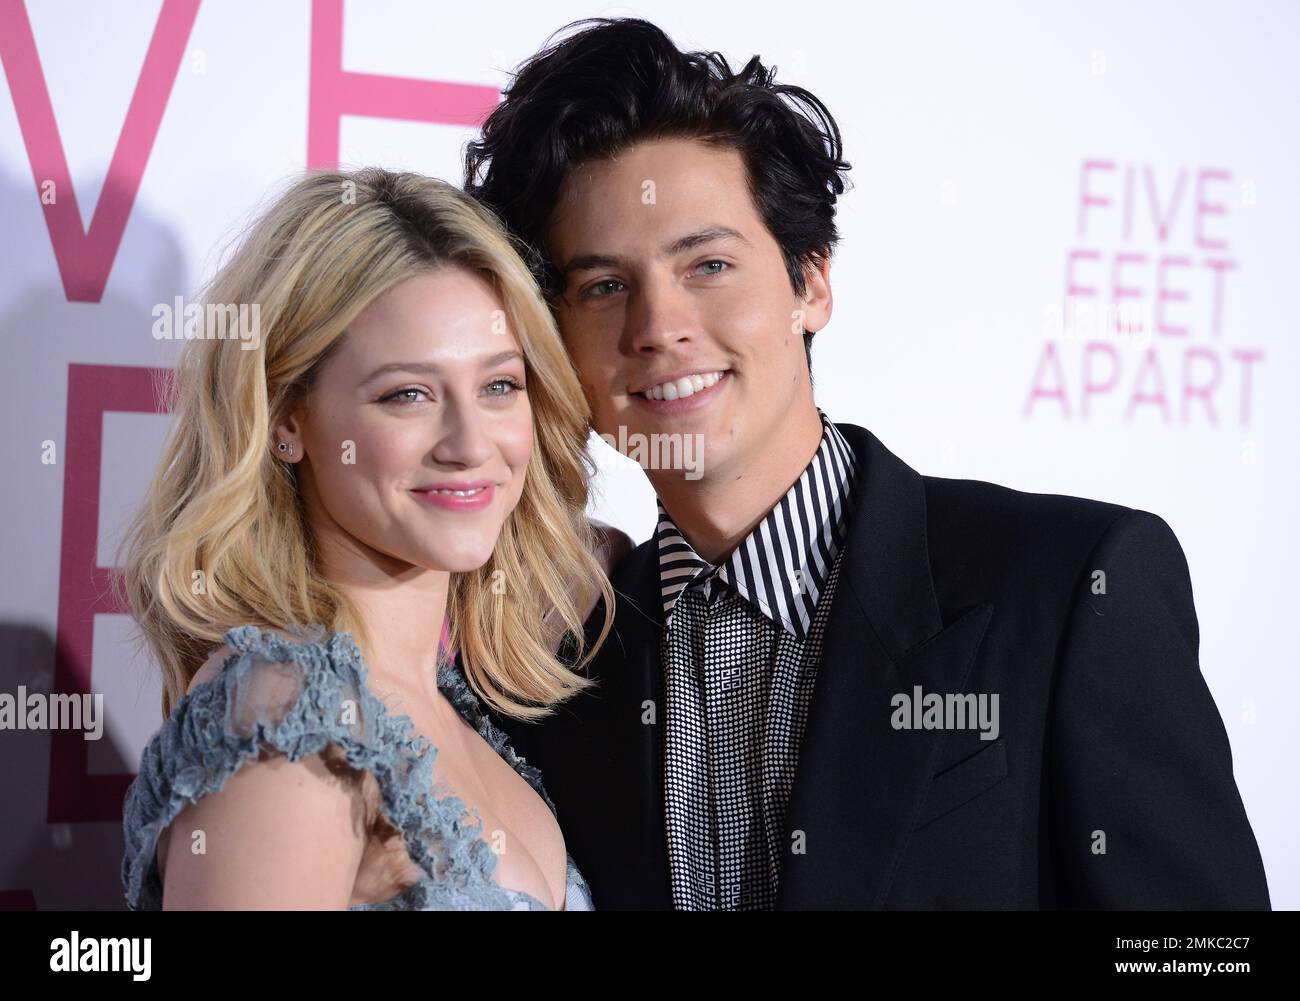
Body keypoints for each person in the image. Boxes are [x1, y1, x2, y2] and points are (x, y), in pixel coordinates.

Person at [462, 17, 1272, 910]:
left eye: (709, 265)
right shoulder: (562, 665)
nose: (658, 327)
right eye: (604, 287)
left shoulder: (1072, 584)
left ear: (811, 282)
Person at [117, 167, 614, 910]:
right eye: (407, 394)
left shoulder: (461, 711)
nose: (469, 442)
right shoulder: (287, 721)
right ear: (287, 417)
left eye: (500, 386)